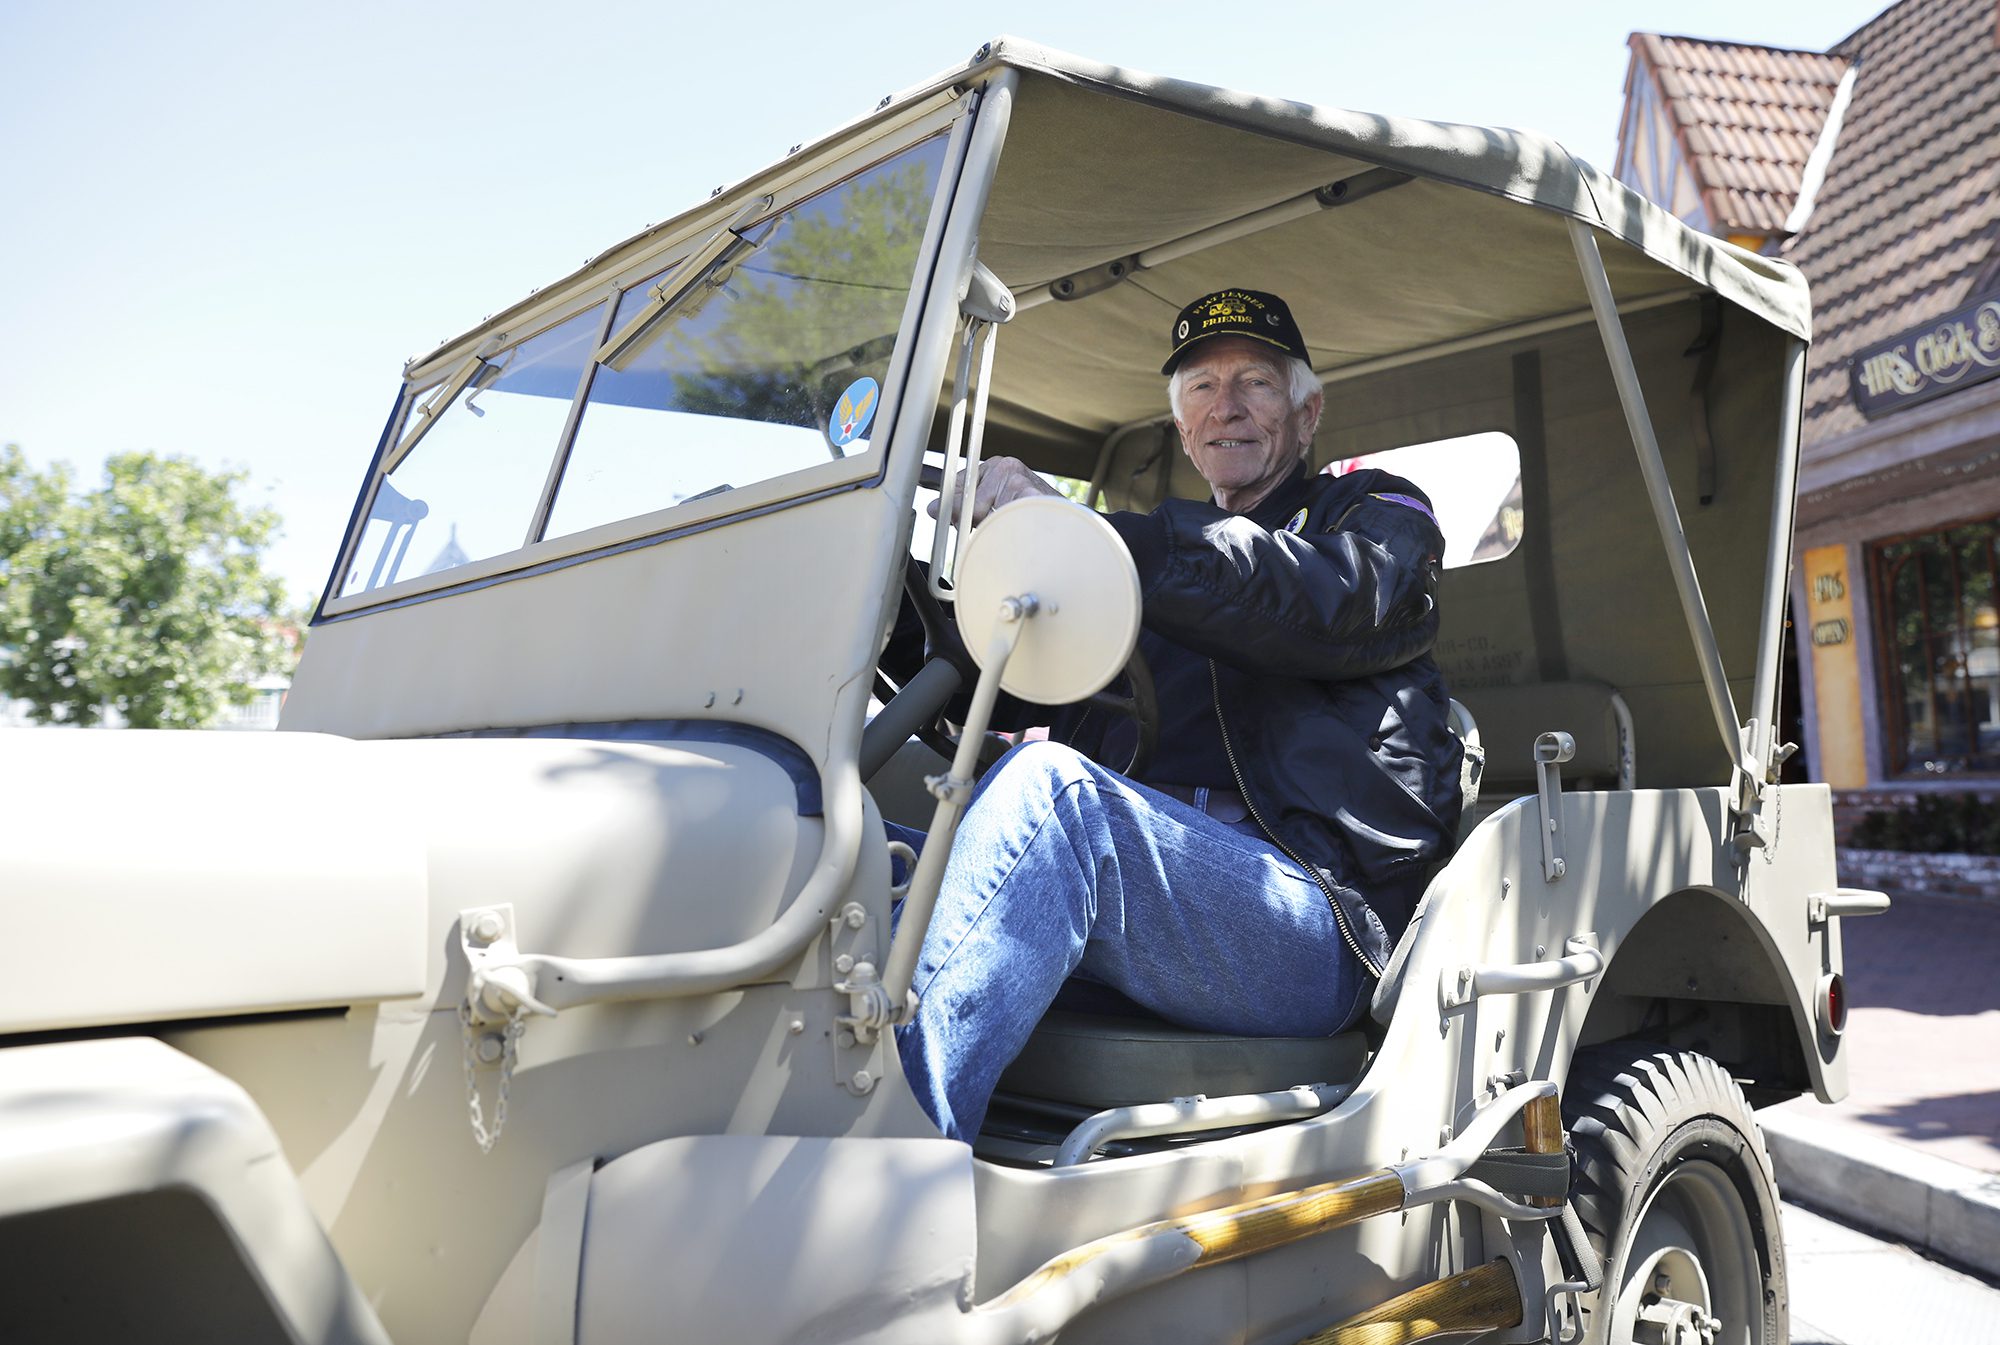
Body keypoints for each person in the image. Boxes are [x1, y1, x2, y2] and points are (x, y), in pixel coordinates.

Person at [890, 288, 1463, 1143]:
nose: (1225, 406)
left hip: (1315, 915)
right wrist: (893, 604)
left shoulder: (1373, 519)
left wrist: (1094, 538)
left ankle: (887, 1168)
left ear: (1308, 414)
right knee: (862, 847)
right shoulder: (1145, 561)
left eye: (1256, 384)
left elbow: (1325, 600)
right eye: (1200, 388)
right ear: (1183, 427)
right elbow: (1002, 685)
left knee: (1051, 793)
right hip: (1148, 899)